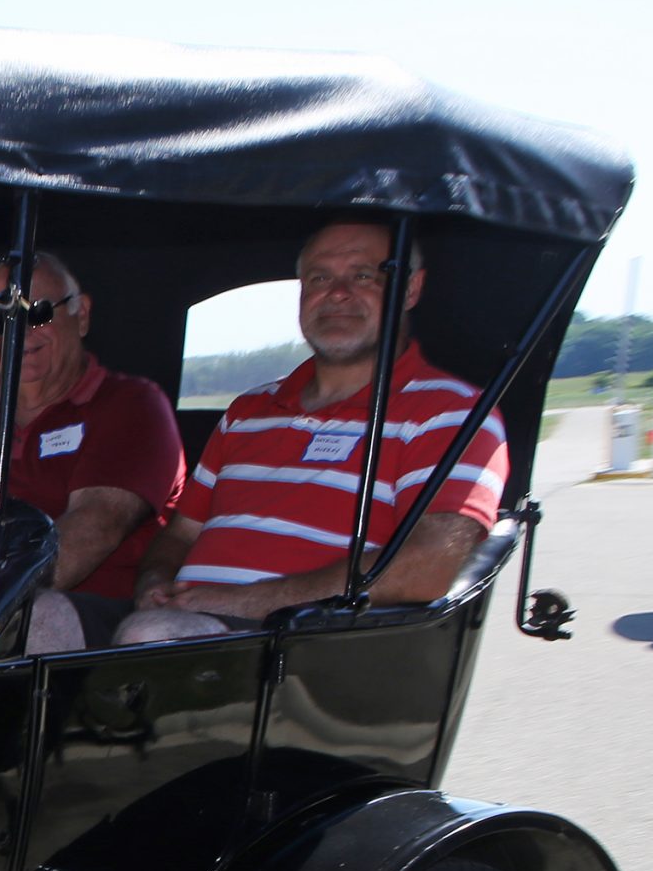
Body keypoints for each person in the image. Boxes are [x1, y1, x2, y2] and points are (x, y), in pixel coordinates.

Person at [119, 219, 507, 642]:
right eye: (320, 277)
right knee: (40, 614)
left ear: (410, 289)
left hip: (304, 642)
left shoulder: (452, 412)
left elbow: (432, 563)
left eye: (362, 275)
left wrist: (237, 602)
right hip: (181, 615)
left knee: (150, 633)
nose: (337, 293)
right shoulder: (247, 412)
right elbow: (180, 534)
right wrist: (153, 582)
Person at [0, 252, 186, 654]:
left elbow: (93, 530)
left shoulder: (131, 405)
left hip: (95, 618)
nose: (16, 332)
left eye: (36, 312)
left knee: (36, 617)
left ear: (83, 314)